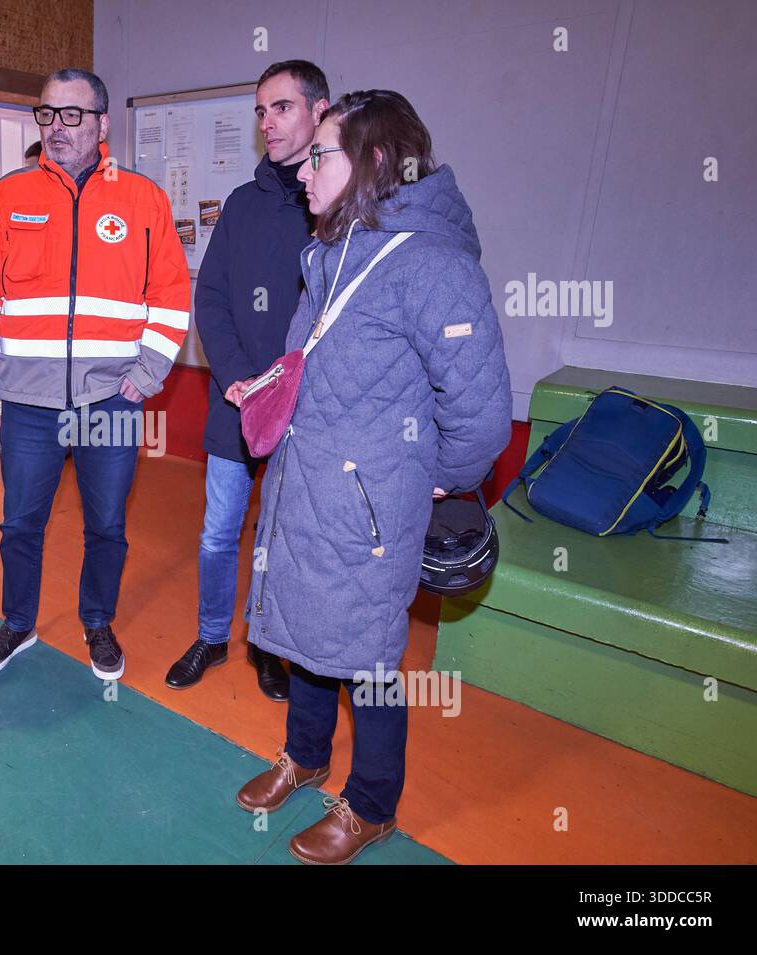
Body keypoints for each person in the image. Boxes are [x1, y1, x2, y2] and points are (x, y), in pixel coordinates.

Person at [234, 90, 511, 864]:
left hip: (371, 501)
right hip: (306, 483)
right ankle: (307, 754)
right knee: (306, 630)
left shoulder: (432, 266)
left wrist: (437, 478)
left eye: (321, 155)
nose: (303, 170)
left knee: (371, 657)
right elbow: (313, 362)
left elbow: (485, 415)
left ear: (377, 161)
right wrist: (266, 390)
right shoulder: (330, 251)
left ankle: (372, 804)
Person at [0, 68, 191, 681]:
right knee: (19, 523)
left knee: (107, 524)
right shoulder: (8, 198)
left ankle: (97, 622)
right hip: (27, 403)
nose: (57, 127)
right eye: (47, 114)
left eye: (72, 115)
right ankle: (17, 623)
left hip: (111, 400)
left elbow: (169, 294)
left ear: (102, 124)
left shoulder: (142, 199)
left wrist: (150, 369)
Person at [165, 60, 330, 701]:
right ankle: (212, 636)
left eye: (283, 107)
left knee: (277, 535)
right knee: (218, 530)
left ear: (320, 111)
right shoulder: (241, 204)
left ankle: (265, 643)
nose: (269, 122)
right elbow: (210, 299)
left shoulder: (337, 208)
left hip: (308, 410)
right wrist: (237, 379)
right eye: (262, 111)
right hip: (237, 402)